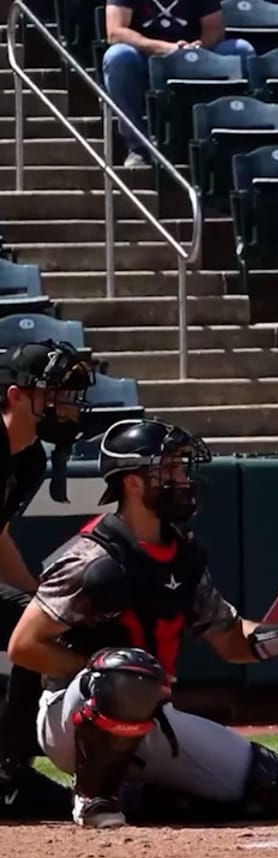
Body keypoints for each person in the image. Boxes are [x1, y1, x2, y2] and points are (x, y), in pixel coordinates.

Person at [6, 419, 278, 829]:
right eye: (169, 469)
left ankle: (136, 797)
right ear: (134, 483)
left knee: (274, 786)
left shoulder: (182, 555)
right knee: (128, 673)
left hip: (151, 715)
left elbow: (231, 640)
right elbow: (24, 645)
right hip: (72, 716)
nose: (182, 478)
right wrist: (101, 671)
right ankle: (94, 797)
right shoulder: (92, 557)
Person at [0, 341, 94, 821]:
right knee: (26, 620)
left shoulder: (29, 458)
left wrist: (42, 601)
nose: (65, 404)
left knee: (37, 620)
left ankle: (8, 771)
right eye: (53, 392)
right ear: (16, 396)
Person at [101, 0, 254, 167]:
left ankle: (228, 148)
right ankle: (139, 147)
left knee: (240, 50)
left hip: (195, 56)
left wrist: (197, 49)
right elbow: (115, 33)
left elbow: (215, 28)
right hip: (146, 58)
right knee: (118, 56)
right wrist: (167, 49)